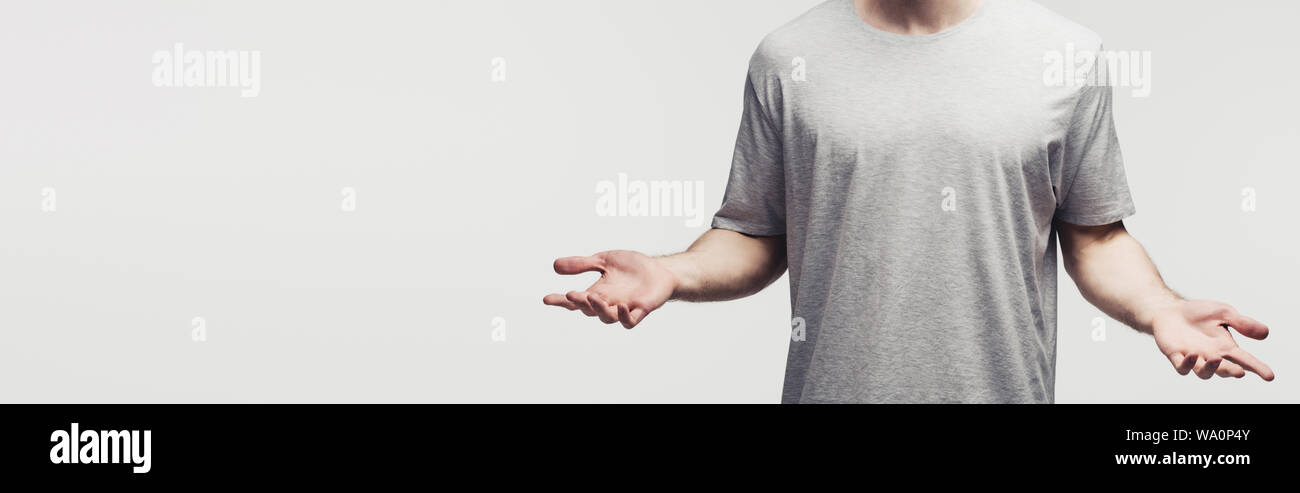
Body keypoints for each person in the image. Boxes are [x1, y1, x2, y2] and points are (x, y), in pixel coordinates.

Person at [542, 0, 1275, 403]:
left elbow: (1097, 237)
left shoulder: (1066, 54)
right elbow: (756, 233)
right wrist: (671, 272)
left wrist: (1160, 308)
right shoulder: (787, 56)